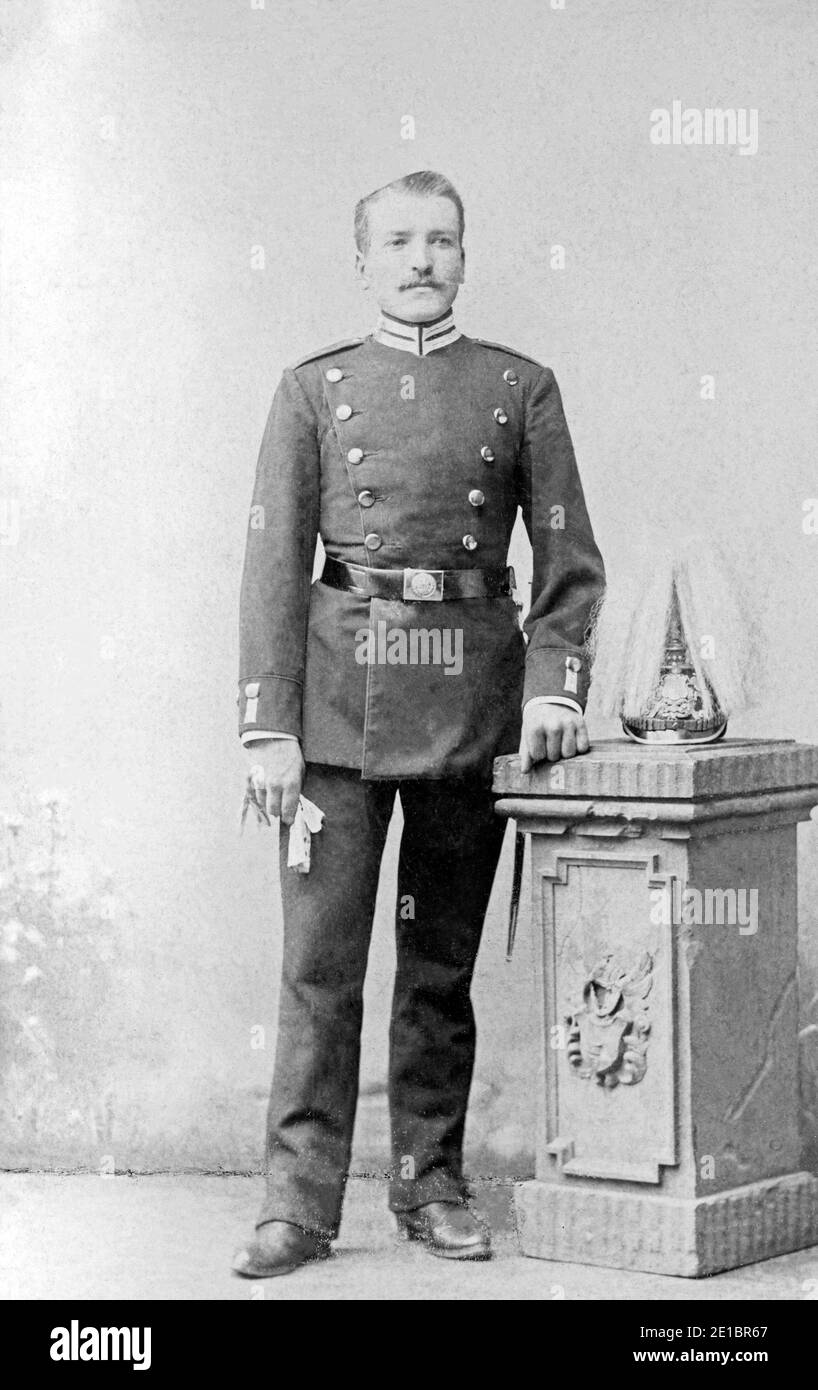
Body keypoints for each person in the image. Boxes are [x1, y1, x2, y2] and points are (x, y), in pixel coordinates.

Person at [232, 170, 605, 1277]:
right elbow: (270, 569)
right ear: (361, 260)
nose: (419, 259)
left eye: (439, 240)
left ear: (463, 254)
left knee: (437, 968)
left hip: (470, 706)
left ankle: (429, 1184)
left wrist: (551, 689)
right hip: (339, 712)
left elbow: (568, 560)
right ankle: (296, 1205)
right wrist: (265, 724)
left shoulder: (518, 387)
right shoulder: (312, 389)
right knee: (319, 968)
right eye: (396, 241)